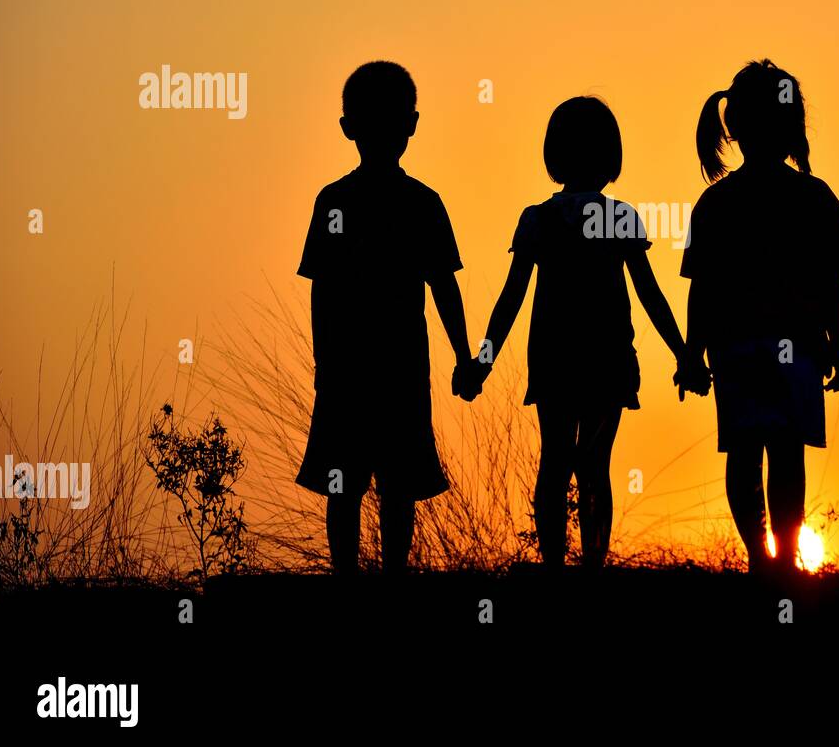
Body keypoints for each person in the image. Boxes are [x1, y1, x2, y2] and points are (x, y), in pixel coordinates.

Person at [461, 96, 710, 569]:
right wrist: (683, 353)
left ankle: (555, 565)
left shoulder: (538, 219)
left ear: (555, 155)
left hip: (555, 358)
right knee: (596, 464)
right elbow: (650, 295)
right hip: (607, 357)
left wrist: (483, 363)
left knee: (554, 459)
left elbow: (509, 301)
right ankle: (593, 563)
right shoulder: (619, 218)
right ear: (610, 156)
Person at [295, 60, 479, 575]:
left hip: (353, 369)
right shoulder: (420, 203)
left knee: (348, 483)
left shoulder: (338, 201)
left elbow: (323, 292)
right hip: (394, 367)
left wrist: (324, 361)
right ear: (413, 124)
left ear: (346, 127)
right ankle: (387, 580)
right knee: (391, 485)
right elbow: (444, 287)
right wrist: (463, 358)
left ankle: (350, 581)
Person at [681, 59, 839, 574]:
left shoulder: (715, 204)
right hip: (798, 347)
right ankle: (781, 561)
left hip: (735, 347)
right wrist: (838, 344)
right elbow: (835, 281)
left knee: (743, 452)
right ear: (792, 127)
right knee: (787, 454)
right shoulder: (815, 197)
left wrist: (694, 354)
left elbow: (702, 290)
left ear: (734, 127)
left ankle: (762, 557)